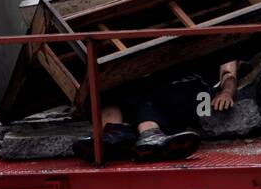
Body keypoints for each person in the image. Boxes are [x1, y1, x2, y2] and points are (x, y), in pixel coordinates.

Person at [73, 60, 246, 164]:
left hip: (193, 91)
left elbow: (228, 73)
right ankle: (113, 136)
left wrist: (226, 92)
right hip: (158, 89)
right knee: (113, 92)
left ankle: (150, 135)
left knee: (151, 95)